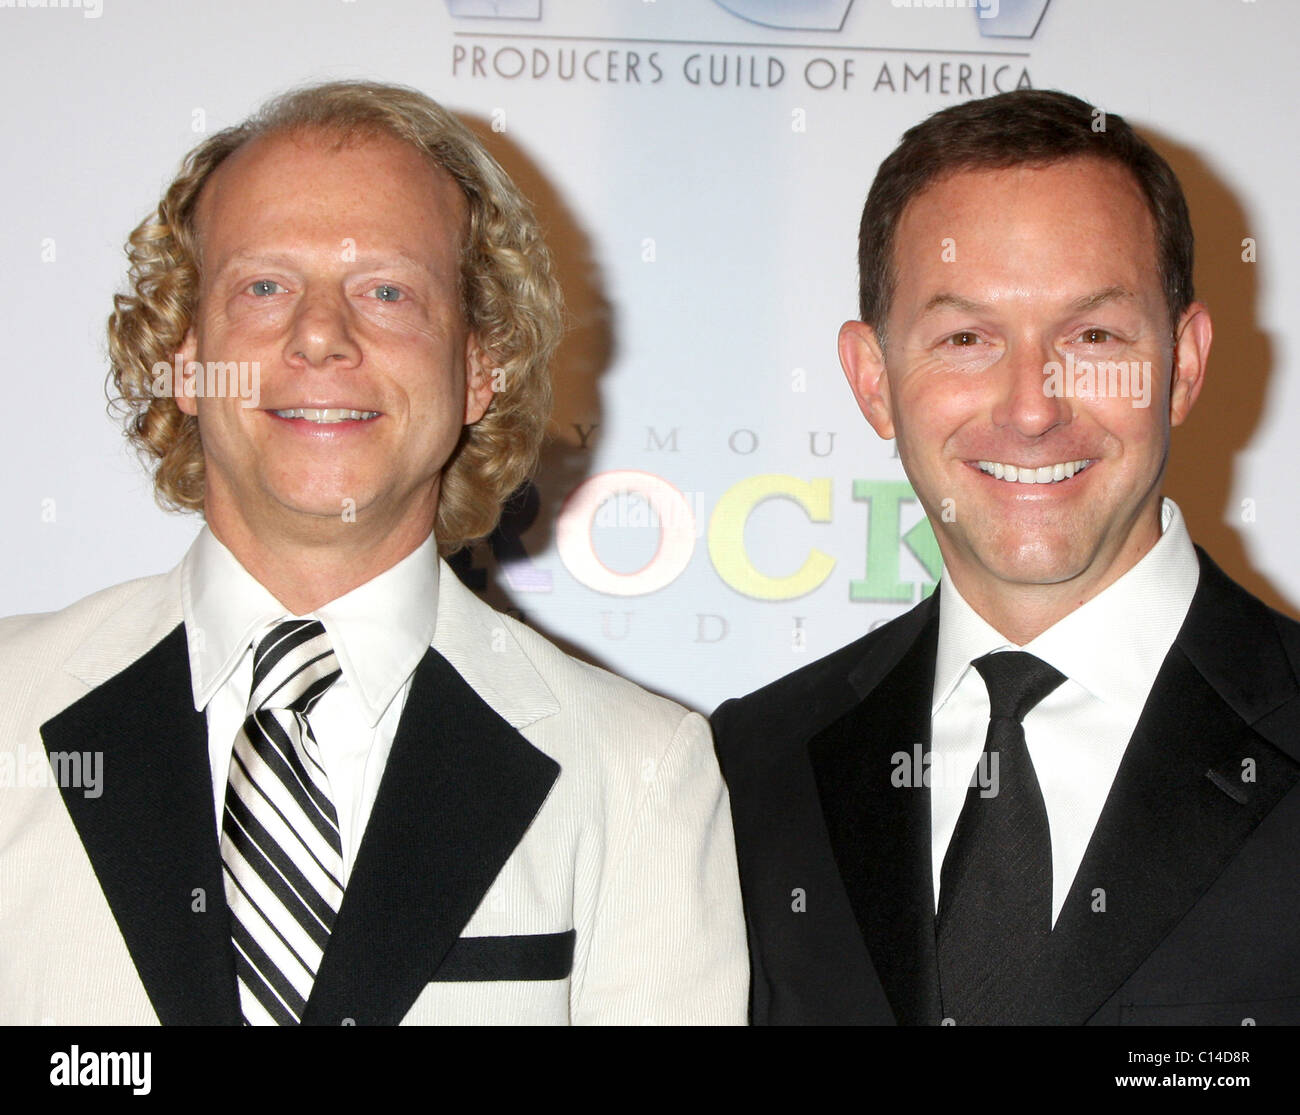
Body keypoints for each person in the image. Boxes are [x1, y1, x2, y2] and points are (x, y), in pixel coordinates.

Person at [0, 80, 746, 1026]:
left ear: (481, 366)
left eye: (387, 291)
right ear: (185, 357)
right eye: (264, 285)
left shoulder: (641, 772)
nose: (319, 335)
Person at [713, 89, 1300, 1026]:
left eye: (1094, 335)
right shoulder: (749, 771)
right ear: (873, 382)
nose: (1032, 406)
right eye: (965, 339)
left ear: (1182, 366)